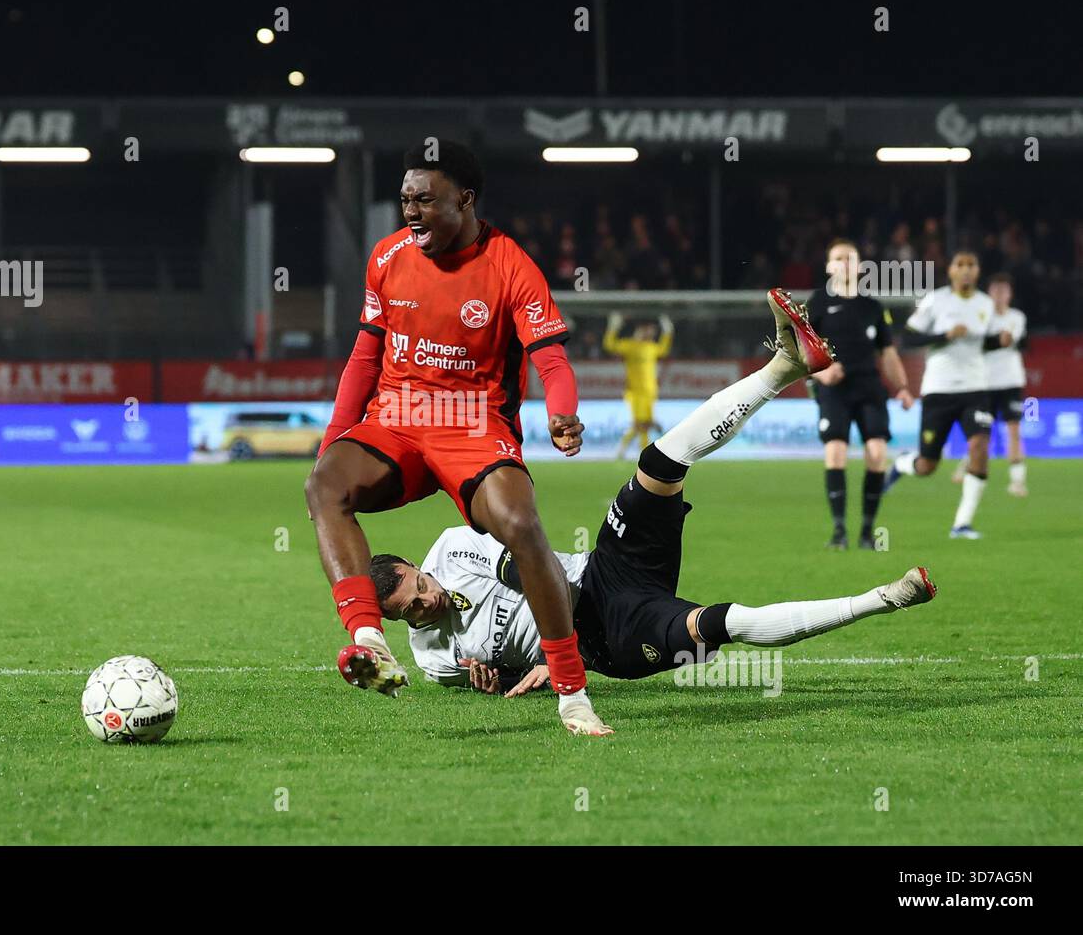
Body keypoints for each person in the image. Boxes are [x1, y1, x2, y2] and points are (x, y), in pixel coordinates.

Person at [366, 290, 937, 696]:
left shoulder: (453, 546)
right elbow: (516, 682)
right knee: (724, 623)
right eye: (412, 610)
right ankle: (885, 598)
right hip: (609, 639)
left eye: (420, 587)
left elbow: (545, 576)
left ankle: (786, 365)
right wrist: (503, 682)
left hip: (600, 572)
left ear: (420, 566)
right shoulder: (433, 659)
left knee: (660, 462)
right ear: (397, 624)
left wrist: (549, 647)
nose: (426, 602)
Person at [306, 141, 610, 737]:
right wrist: (334, 445)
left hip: (473, 422)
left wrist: (563, 413)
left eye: (425, 200)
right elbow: (364, 359)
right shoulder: (389, 257)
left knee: (521, 528)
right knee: (324, 487)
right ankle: (369, 636)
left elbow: (551, 359)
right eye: (404, 200)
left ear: (465, 200)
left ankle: (571, 692)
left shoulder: (510, 265)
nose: (411, 212)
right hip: (397, 415)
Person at [885, 252, 1011, 539]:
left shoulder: (985, 304)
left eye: (972, 265)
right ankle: (903, 463)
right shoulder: (936, 300)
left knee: (979, 447)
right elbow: (908, 338)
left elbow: (984, 342)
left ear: (978, 272)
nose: (966, 270)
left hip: (975, 388)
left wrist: (999, 342)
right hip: (938, 391)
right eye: (960, 265)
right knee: (927, 466)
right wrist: (944, 335)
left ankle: (962, 524)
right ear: (951, 271)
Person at [807, 239, 915, 550]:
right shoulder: (817, 304)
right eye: (838, 258)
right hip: (834, 390)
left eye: (850, 258)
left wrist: (903, 388)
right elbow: (801, 352)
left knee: (878, 454)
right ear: (829, 267)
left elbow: (889, 354)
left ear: (860, 267)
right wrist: (822, 372)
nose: (844, 263)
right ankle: (839, 531)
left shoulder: (873, 308)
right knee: (836, 453)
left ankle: (867, 531)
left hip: (869, 387)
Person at [950, 273, 1029, 496]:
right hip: (984, 382)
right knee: (981, 433)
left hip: (1011, 382)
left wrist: (1006, 340)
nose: (1000, 296)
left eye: (1004, 291)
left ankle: (1017, 481)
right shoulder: (981, 316)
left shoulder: (1017, 317)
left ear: (1010, 294)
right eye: (996, 291)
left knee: (1013, 430)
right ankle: (967, 465)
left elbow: (1018, 342)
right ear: (989, 293)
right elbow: (977, 343)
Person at [604, 311, 673, 460]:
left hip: (650, 391)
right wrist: (613, 327)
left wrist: (668, 332)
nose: (650, 332)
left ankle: (626, 450)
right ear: (639, 330)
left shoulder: (651, 347)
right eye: (648, 329)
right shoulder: (629, 345)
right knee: (640, 423)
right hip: (634, 391)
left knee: (645, 424)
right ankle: (638, 451)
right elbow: (609, 345)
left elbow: (664, 349)